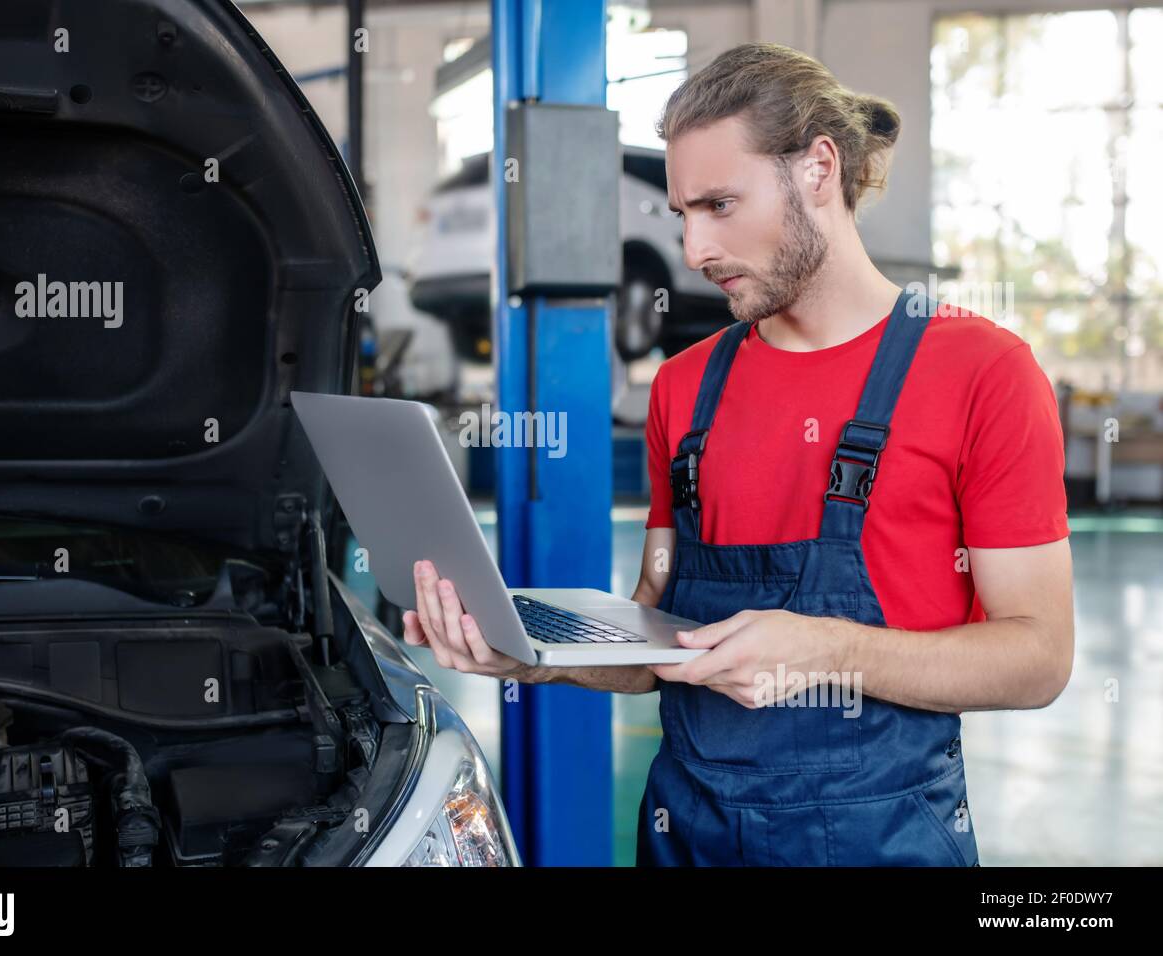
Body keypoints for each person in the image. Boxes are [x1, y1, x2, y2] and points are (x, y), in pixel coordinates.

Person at [402, 42, 1073, 866]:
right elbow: (662, 638)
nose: (693, 250)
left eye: (720, 205)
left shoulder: (982, 372)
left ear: (819, 170)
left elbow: (1038, 656)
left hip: (880, 840)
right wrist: (535, 656)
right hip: (686, 832)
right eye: (684, 213)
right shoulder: (685, 389)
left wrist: (830, 650)